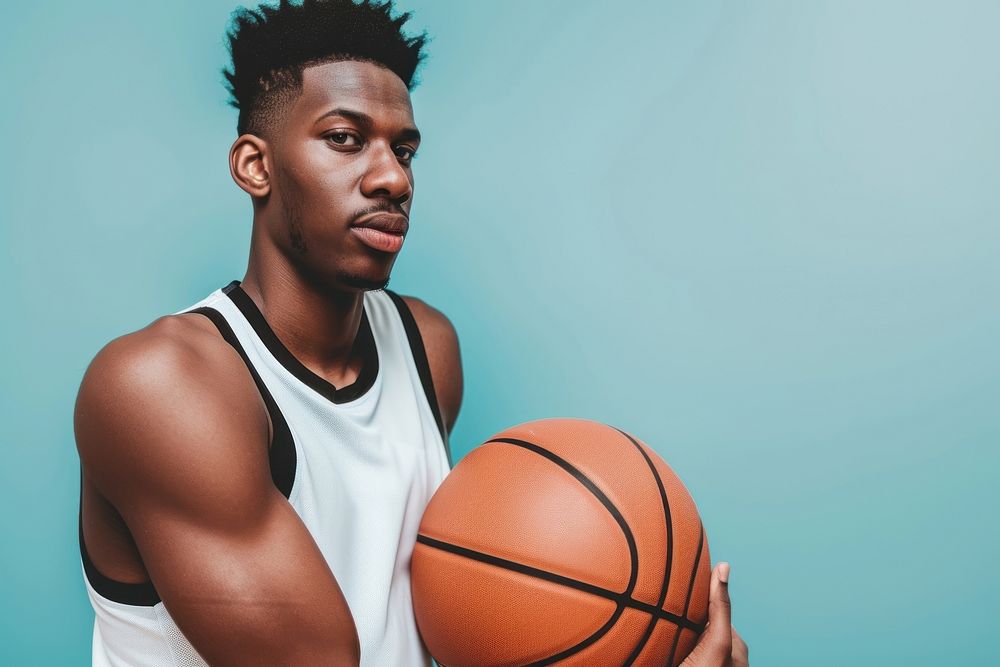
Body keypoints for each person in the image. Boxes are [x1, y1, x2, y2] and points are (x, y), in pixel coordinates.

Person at [74, 1, 747, 665]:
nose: (394, 177)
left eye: (404, 149)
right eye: (345, 138)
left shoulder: (427, 346)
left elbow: (439, 611)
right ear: (256, 166)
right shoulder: (162, 385)